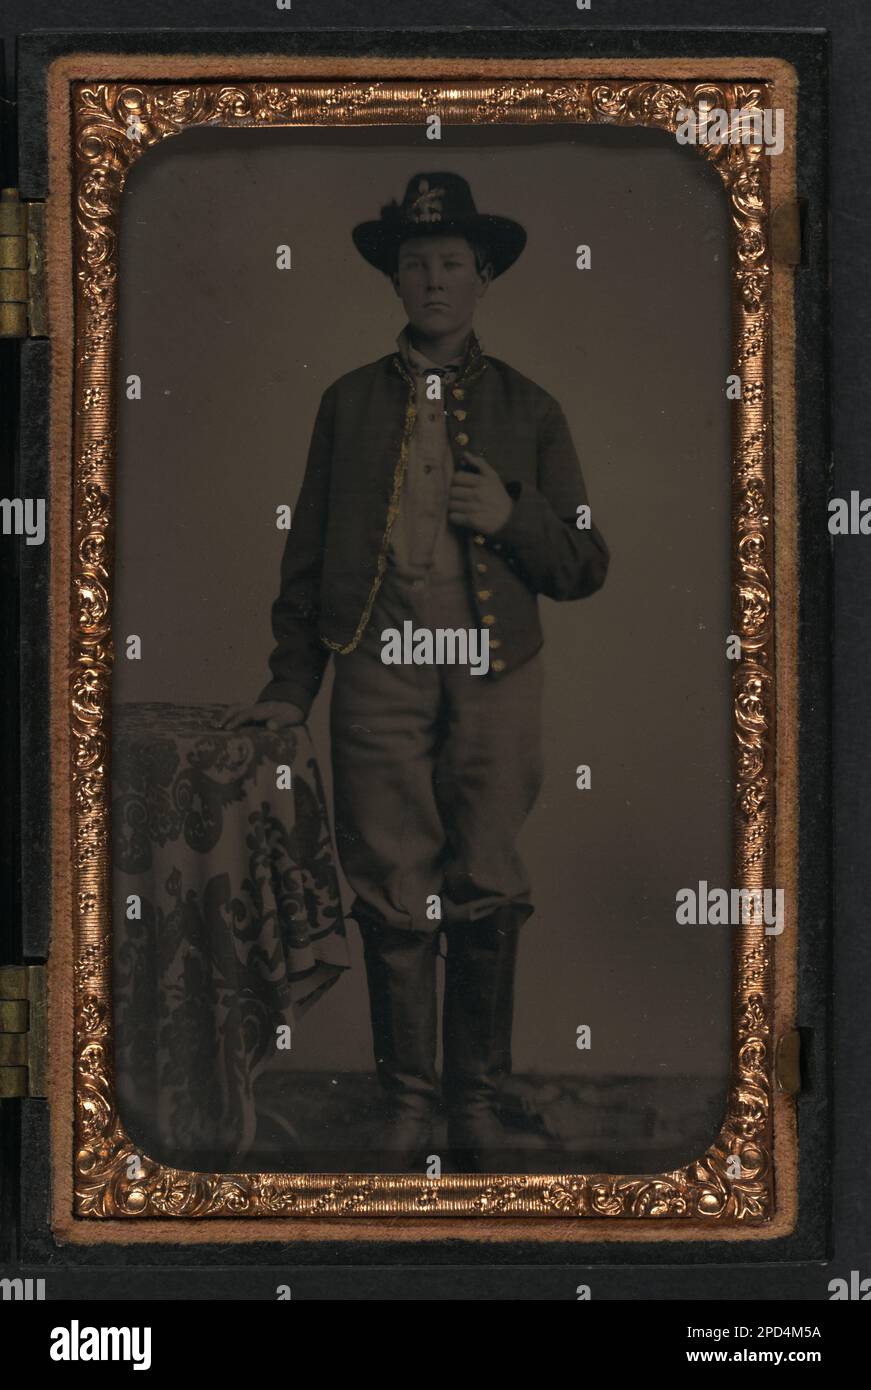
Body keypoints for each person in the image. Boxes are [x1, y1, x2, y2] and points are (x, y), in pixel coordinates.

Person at [223, 172, 609, 1171]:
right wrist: (286, 685)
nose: (432, 279)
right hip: (377, 666)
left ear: (482, 275)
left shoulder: (532, 406)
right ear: (394, 278)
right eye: (414, 264)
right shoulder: (345, 404)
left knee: (484, 876)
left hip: (494, 671)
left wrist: (511, 516)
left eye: (450, 263)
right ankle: (406, 1106)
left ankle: (473, 1105)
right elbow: (305, 559)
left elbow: (583, 562)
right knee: (392, 885)